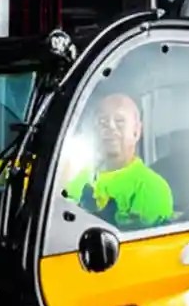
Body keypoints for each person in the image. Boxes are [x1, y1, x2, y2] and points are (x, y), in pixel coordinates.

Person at [62, 92, 174, 229]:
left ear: (136, 131)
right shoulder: (77, 177)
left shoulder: (151, 187)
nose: (110, 127)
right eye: (102, 121)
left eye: (119, 121)